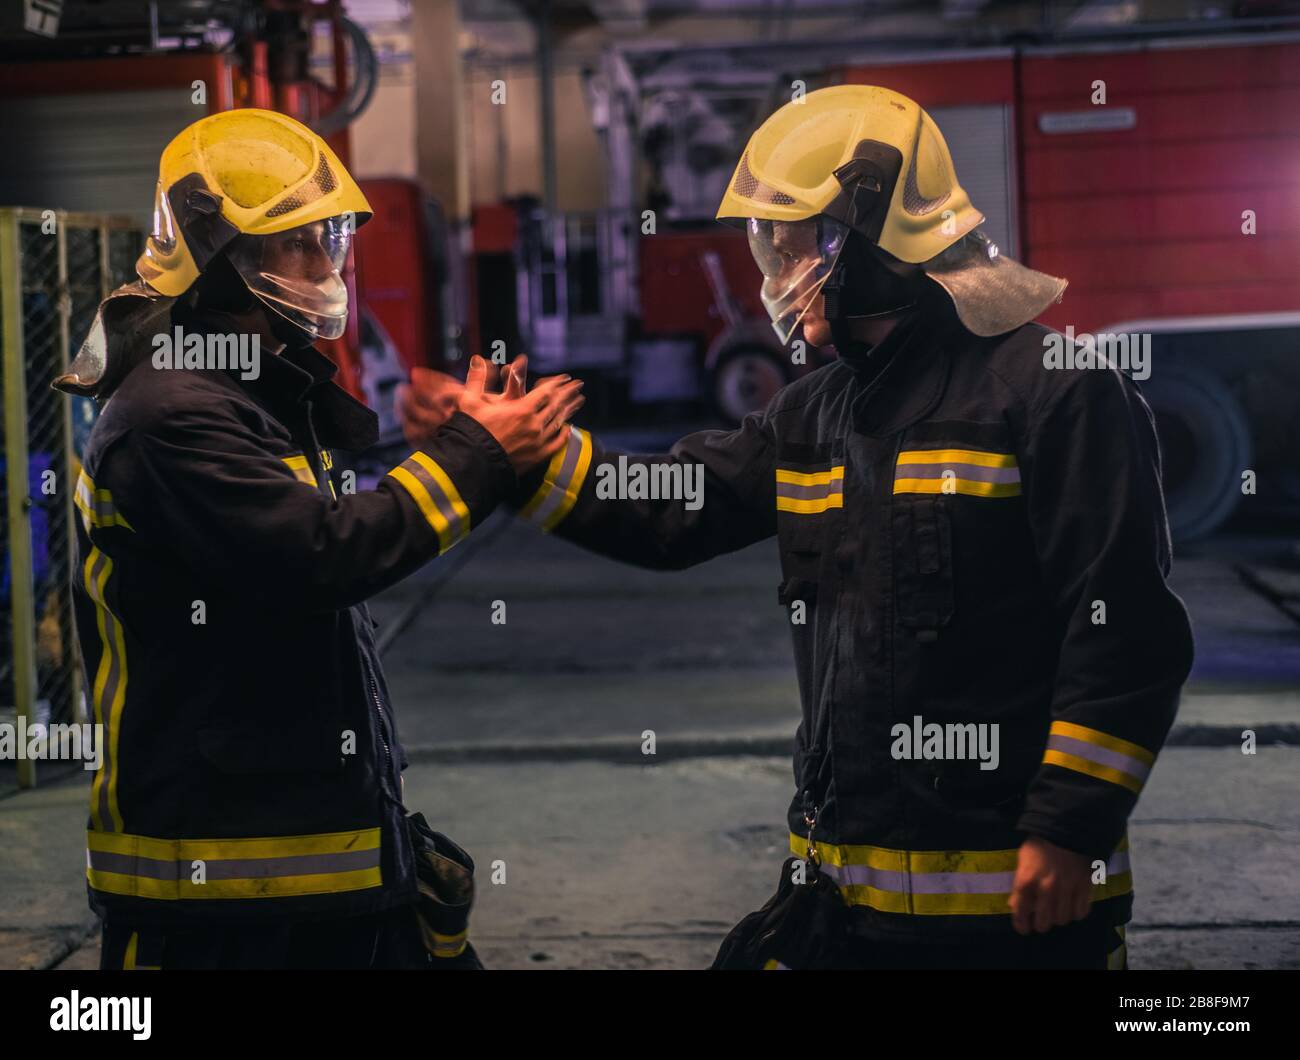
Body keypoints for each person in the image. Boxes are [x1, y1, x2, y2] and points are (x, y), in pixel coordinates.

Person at [399, 85, 1195, 969]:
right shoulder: (815, 413)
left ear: (867, 242)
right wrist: (511, 457)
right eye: (767, 243)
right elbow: (670, 507)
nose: (775, 270)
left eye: (791, 241)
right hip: (845, 901)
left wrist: (1070, 829)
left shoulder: (1059, 393)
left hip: (1010, 909)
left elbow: (1127, 633)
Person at [55, 108, 583, 969]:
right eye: (296, 242)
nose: (325, 264)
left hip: (315, 860)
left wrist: (449, 441)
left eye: (330, 236)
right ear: (219, 256)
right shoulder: (170, 417)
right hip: (217, 895)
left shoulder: (243, 398)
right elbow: (324, 553)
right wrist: (478, 451)